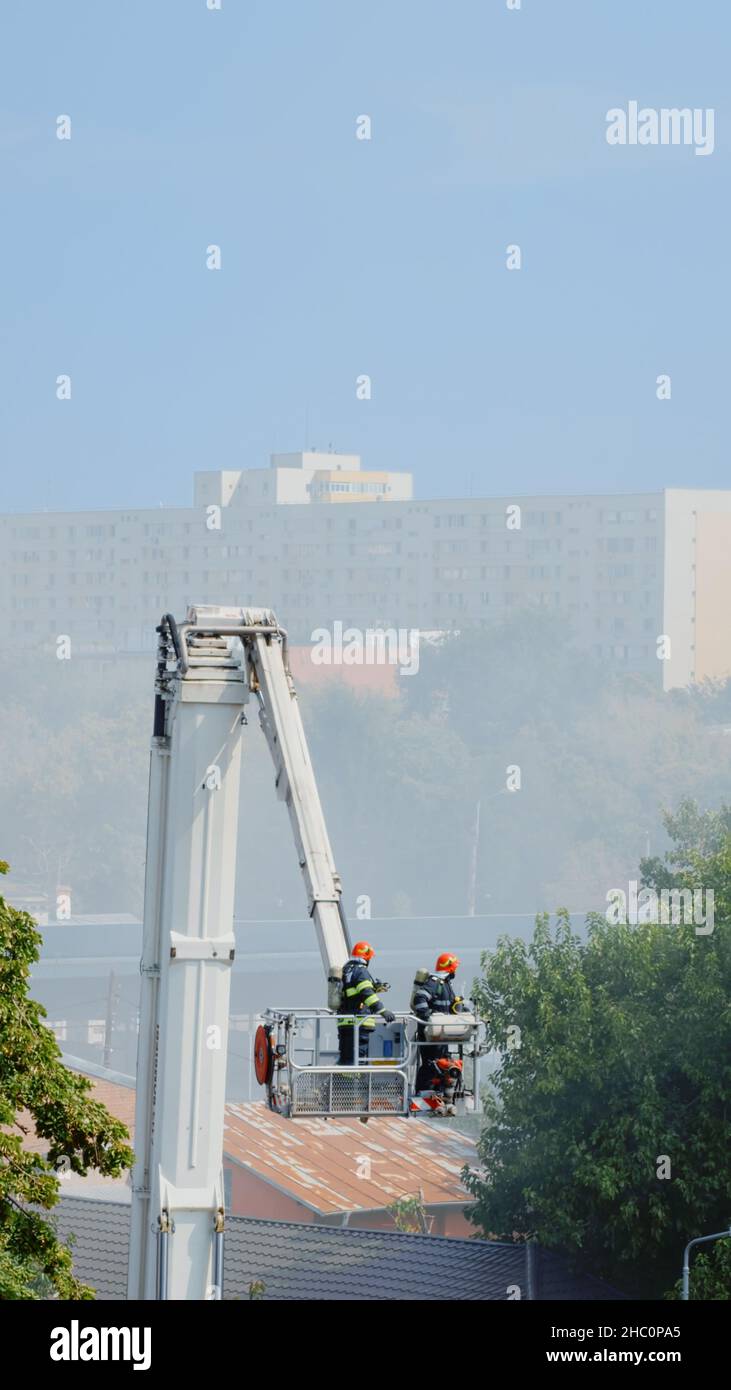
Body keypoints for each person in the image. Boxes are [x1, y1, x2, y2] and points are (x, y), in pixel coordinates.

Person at [413, 952, 467, 1091]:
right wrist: (429, 1017)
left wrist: (463, 1010)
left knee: (440, 1064)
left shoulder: (446, 984)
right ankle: (424, 1091)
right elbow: (419, 998)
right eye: (454, 967)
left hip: (440, 1034)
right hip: (430, 1033)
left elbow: (448, 1006)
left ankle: (438, 1090)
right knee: (430, 1064)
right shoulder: (435, 982)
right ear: (449, 968)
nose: (455, 970)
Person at [337, 941, 394, 1065]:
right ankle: (355, 1084)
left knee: (346, 1057)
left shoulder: (346, 970)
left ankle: (342, 1083)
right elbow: (366, 993)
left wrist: (374, 987)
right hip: (358, 1021)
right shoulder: (361, 971)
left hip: (345, 1021)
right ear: (366, 958)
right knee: (358, 1059)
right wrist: (383, 1011)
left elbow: (353, 992)